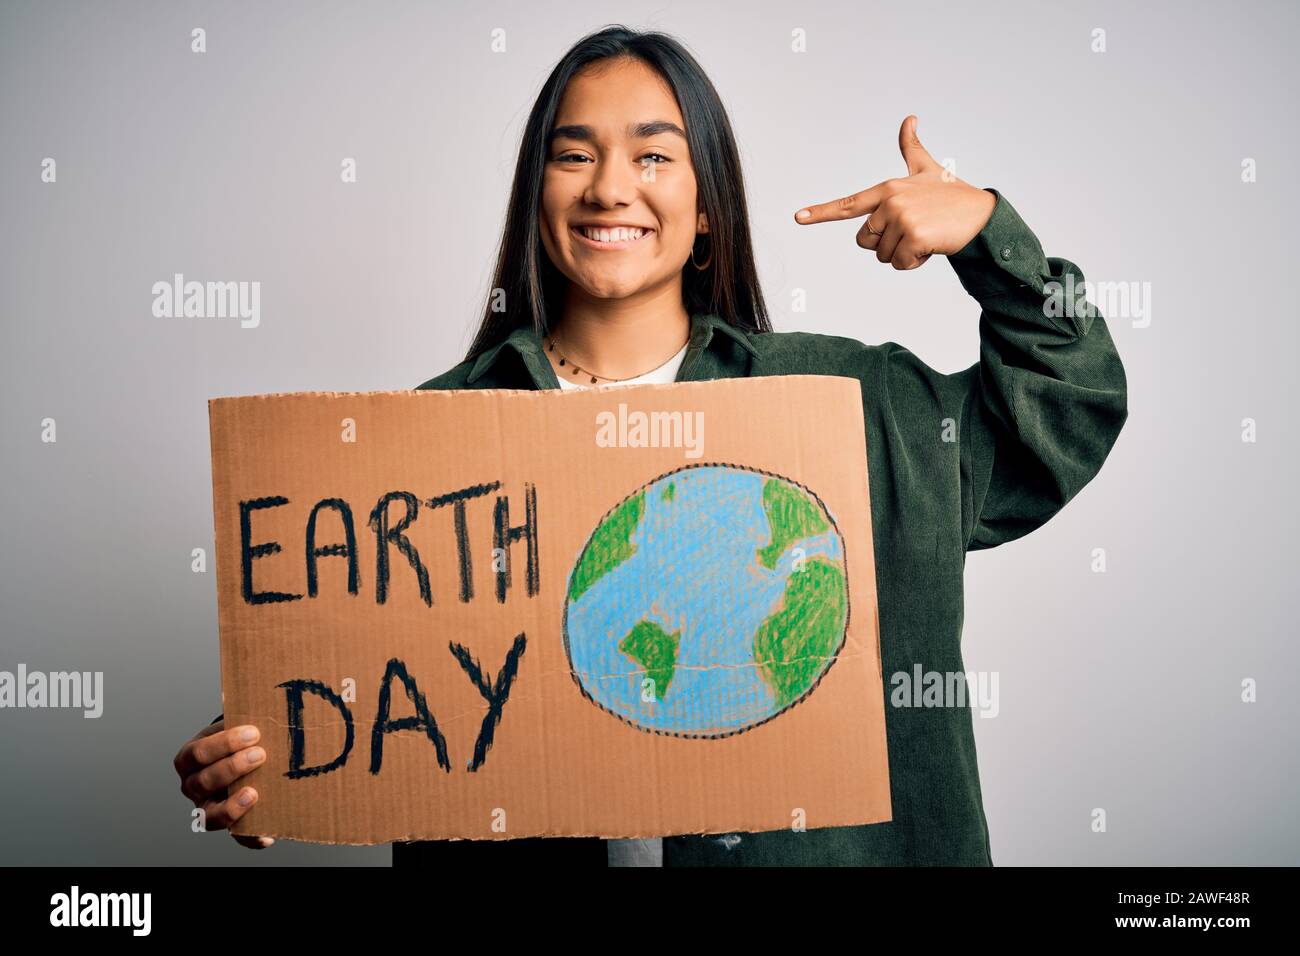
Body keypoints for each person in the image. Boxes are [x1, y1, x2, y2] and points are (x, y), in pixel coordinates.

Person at [174, 24, 1127, 867]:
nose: (610, 187)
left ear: (709, 204)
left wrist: (991, 239)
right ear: (536, 193)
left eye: (655, 157)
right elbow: (370, 687)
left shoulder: (849, 403)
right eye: (573, 154)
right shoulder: (432, 435)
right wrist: (273, 759)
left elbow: (1068, 405)